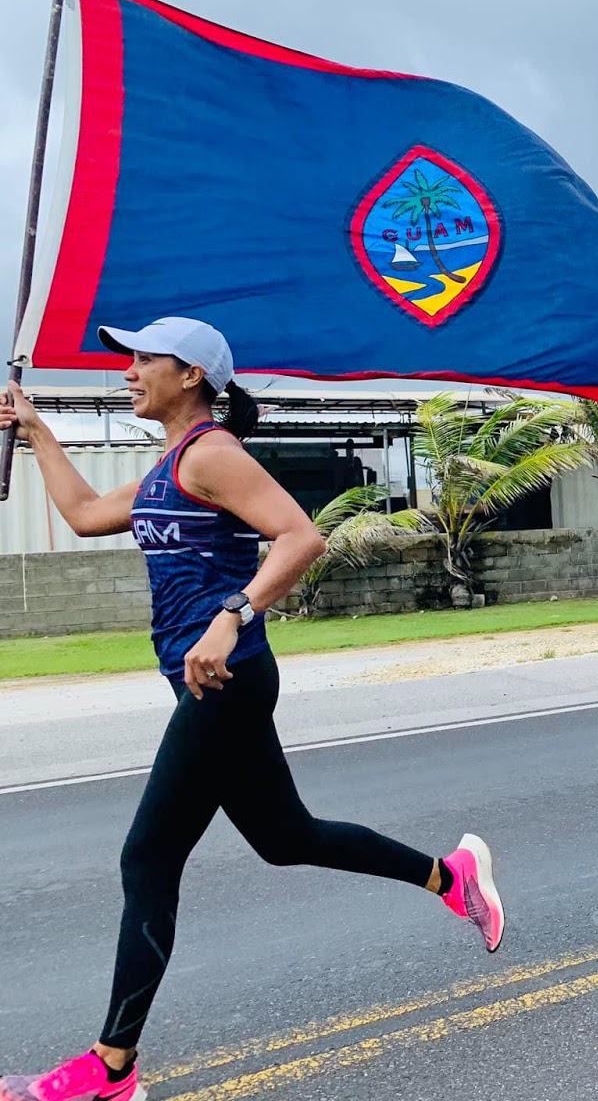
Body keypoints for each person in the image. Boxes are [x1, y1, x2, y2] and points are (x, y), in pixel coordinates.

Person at [0, 318, 506, 1101]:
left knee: (147, 859)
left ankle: (111, 1068)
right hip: (203, 678)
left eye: (143, 359)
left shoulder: (214, 455)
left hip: (226, 677)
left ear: (192, 375)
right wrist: (36, 431)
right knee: (285, 838)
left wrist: (231, 613)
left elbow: (301, 538)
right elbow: (83, 514)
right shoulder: (170, 466)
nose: (128, 371)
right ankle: (453, 876)